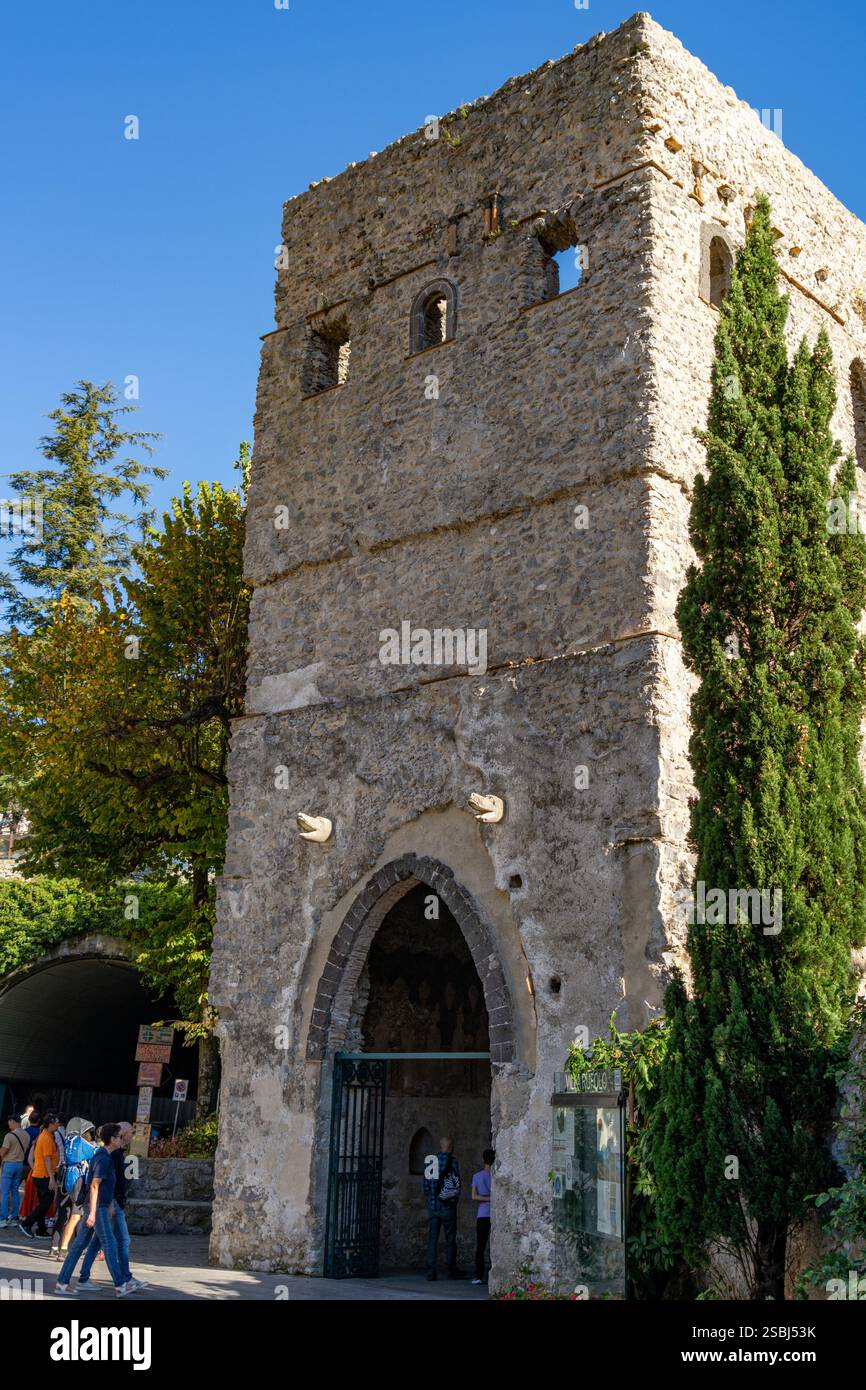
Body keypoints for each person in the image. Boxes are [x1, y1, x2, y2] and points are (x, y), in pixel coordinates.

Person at [54, 1123, 135, 1298]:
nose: (122, 1140)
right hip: (97, 1208)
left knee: (79, 1245)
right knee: (109, 1243)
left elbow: (107, 1185)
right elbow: (94, 1185)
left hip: (100, 1206)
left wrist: (110, 1204)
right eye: (120, 1137)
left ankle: (62, 1282)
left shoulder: (107, 1157)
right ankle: (121, 1284)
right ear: (112, 1139)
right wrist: (92, 1213)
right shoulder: (103, 1158)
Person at [77, 1121, 149, 1293]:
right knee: (120, 1241)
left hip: (110, 1203)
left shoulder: (115, 1153)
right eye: (130, 1132)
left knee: (96, 1242)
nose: (132, 1135)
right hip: (110, 1204)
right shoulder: (111, 1155)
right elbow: (100, 1183)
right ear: (119, 1134)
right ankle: (124, 1280)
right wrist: (109, 1204)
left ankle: (84, 1277)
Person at [51, 1119, 97, 1259]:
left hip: (64, 1179)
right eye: (90, 1133)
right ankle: (65, 1249)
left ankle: (54, 1246)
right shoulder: (85, 1144)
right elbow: (96, 1155)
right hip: (78, 1181)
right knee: (76, 1216)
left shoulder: (69, 1141)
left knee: (62, 1214)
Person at [423, 1135, 463, 1281]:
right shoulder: (453, 1161)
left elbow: (425, 1187)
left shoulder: (430, 1162)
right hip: (448, 1207)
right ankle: (451, 1269)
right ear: (450, 1147)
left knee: (432, 1239)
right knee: (450, 1238)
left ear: (441, 1146)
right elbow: (456, 1184)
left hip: (433, 1206)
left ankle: (431, 1271)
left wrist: (432, 1199)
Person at [19, 1111, 60, 1238]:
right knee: (46, 1201)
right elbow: (47, 1159)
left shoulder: (47, 1135)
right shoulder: (46, 1137)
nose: (58, 1125)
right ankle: (27, 1223)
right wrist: (52, 1178)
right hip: (43, 1175)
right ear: (51, 1124)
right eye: (57, 1122)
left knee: (43, 1202)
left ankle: (41, 1230)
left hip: (41, 1174)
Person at [0, 1115, 30, 1225]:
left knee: (4, 1192)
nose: (8, 1125)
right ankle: (14, 1218)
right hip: (19, 1165)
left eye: (9, 1122)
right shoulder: (26, 1135)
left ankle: (3, 1218)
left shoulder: (9, 1135)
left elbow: (2, 1152)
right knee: (15, 1191)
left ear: (12, 1121)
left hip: (9, 1164)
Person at [471, 1148, 494, 1284]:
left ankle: (478, 1276)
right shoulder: (496, 1176)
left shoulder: (477, 1176)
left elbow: (474, 1196)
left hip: (483, 1213)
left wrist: (486, 1198)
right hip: (494, 1213)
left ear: (483, 1159)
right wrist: (492, 1198)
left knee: (480, 1245)